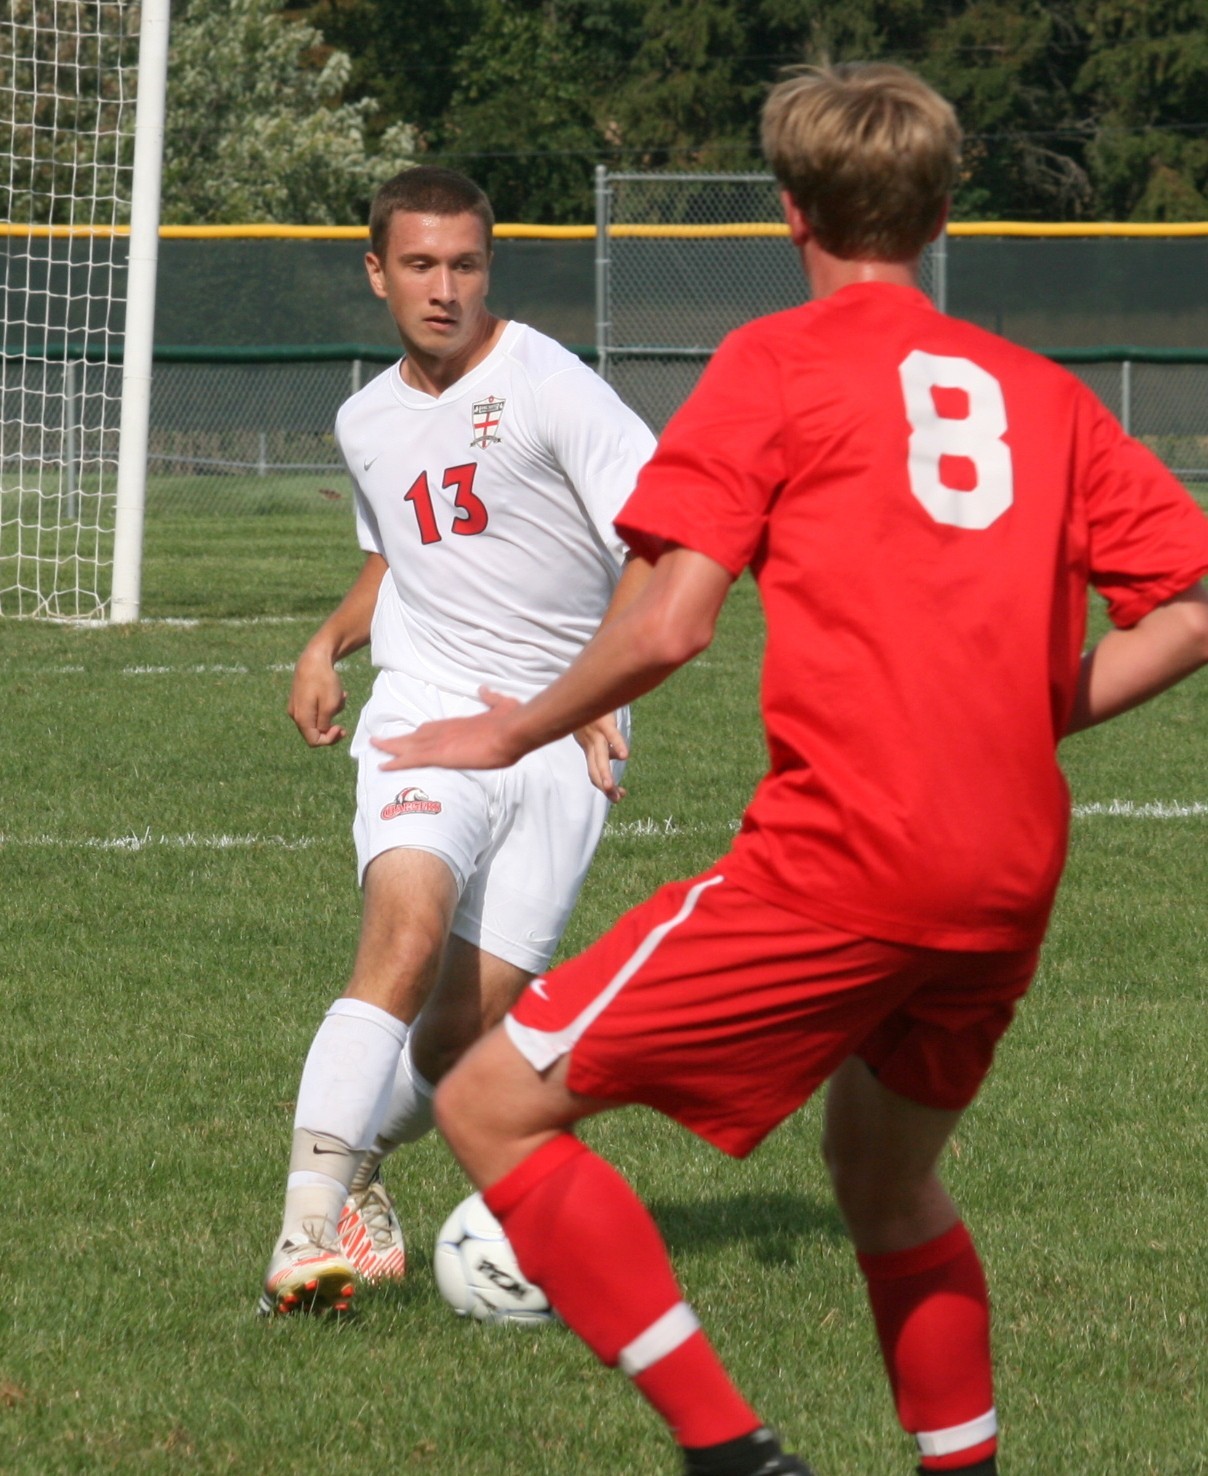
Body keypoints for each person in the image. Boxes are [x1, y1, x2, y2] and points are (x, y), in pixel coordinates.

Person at [372, 65, 1208, 1476]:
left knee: (485, 1101)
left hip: (851, 858)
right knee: (887, 1184)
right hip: (1008, 872)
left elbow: (671, 620)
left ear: (790, 214)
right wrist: (1016, 712)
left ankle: (731, 1457)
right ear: (945, 212)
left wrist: (511, 727)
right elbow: (1187, 604)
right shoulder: (1043, 395)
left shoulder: (774, 363)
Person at [258, 166, 656, 1317]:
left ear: (490, 268)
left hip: (561, 744)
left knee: (461, 1034)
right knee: (404, 929)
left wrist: (591, 692)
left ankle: (360, 1171)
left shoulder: (551, 386)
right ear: (376, 272)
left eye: (466, 265)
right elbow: (401, 559)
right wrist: (327, 642)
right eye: (420, 266)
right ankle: (303, 1234)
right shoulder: (363, 417)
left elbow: (659, 538)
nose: (444, 289)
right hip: (425, 714)